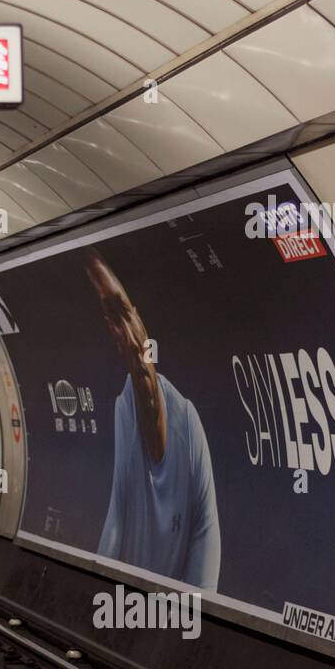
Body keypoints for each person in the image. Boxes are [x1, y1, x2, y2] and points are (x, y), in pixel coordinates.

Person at [86, 249, 221, 591]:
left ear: (139, 318)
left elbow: (206, 565)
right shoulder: (122, 412)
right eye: (113, 322)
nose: (129, 337)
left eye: (125, 313)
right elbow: (115, 522)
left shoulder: (187, 424)